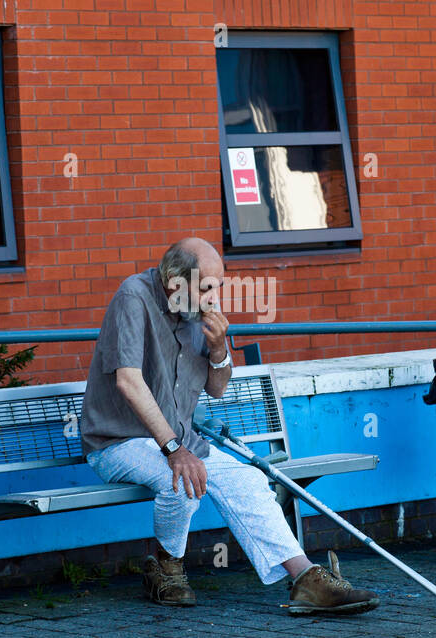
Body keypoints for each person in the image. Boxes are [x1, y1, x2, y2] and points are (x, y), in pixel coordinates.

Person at [80, 237, 379, 616]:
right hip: (117, 441)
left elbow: (217, 389)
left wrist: (220, 349)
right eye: (206, 288)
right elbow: (128, 381)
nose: (213, 297)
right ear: (175, 284)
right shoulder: (132, 298)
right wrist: (174, 450)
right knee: (183, 482)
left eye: (218, 287)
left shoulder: (197, 313)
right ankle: (166, 568)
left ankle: (305, 579)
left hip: (180, 440)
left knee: (248, 480)